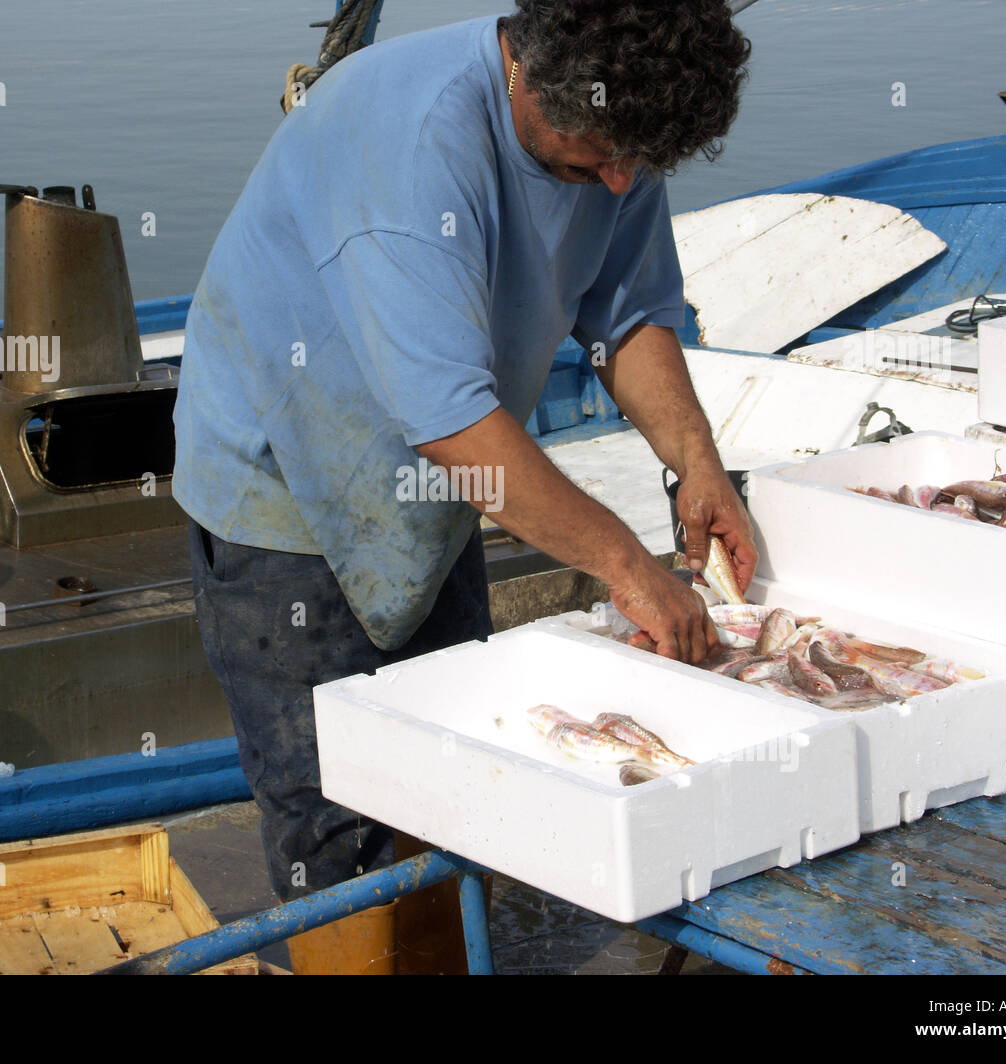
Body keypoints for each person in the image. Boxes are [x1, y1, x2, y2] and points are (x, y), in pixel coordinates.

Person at [173, 0, 754, 973]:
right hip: (287, 486)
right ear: (525, 72)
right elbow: (450, 422)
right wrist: (625, 563)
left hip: (435, 492)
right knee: (333, 821)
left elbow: (629, 312)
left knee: (455, 777)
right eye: (596, 159)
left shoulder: (621, 129)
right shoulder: (410, 143)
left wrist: (695, 461)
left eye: (637, 163)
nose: (618, 181)